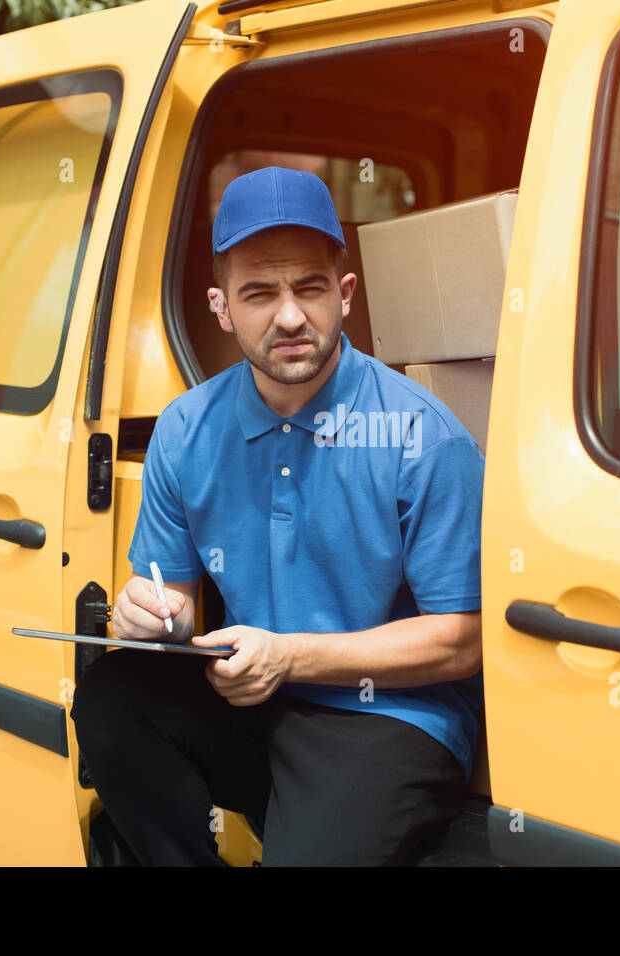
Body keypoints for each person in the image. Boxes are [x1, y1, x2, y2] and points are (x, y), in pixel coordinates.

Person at [70, 165, 484, 866]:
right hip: (249, 697)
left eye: (310, 288)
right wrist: (155, 615)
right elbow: (174, 597)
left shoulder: (422, 435)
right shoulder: (186, 430)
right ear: (222, 307)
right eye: (260, 293)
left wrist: (290, 655)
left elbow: (462, 640)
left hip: (386, 717)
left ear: (345, 295)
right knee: (111, 698)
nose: (289, 317)